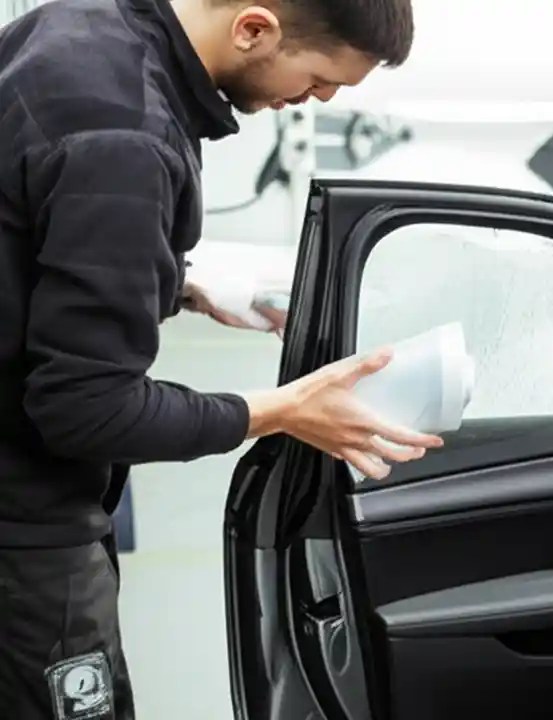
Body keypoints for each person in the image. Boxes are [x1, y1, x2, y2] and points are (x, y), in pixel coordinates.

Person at [0, 0, 429, 716]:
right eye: (321, 77)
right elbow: (87, 411)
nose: (318, 99)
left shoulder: (76, 26)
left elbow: (25, 234)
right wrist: (284, 411)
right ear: (253, 29)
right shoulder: (127, 135)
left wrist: (177, 283)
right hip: (23, 534)